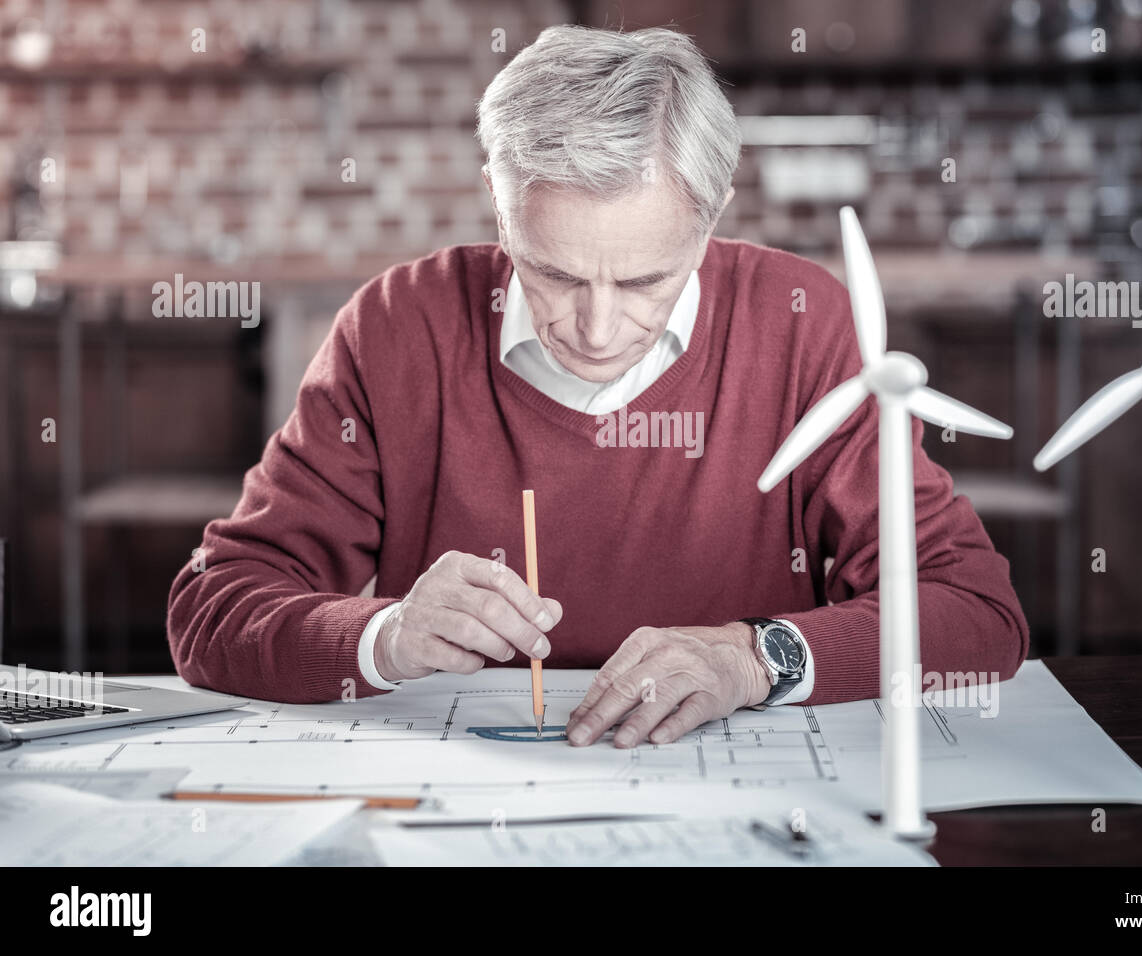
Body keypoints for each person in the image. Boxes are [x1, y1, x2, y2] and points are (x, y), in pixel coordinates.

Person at [167, 24, 1028, 749]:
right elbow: (212, 609)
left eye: (647, 281)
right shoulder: (399, 324)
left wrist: (755, 658)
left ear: (711, 215)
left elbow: (974, 614)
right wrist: (382, 637)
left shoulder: (803, 321)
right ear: (500, 212)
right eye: (553, 273)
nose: (597, 328)